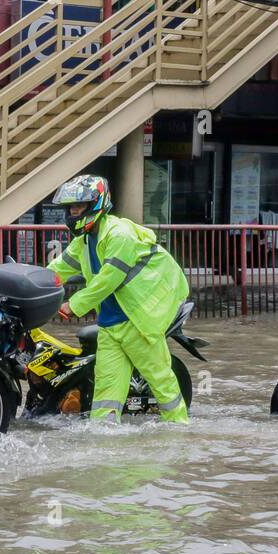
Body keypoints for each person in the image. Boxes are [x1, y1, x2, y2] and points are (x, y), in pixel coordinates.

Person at [47, 174, 190, 423]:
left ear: (96, 205)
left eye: (78, 207)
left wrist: (74, 305)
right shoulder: (84, 241)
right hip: (111, 325)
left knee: (160, 381)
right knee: (107, 390)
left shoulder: (119, 234)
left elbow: (109, 278)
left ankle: (179, 430)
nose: (73, 213)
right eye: (70, 208)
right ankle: (104, 440)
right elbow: (57, 270)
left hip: (139, 320)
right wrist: (30, 284)